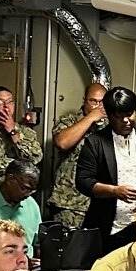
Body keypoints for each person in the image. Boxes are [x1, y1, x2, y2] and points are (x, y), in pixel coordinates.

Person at [73, 85, 136, 259]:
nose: (126, 121)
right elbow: (83, 181)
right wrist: (114, 191)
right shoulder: (96, 142)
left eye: (130, 114)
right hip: (107, 227)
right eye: (119, 117)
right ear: (109, 115)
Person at [48, 80, 106, 236]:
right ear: (84, 100)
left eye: (102, 102)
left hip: (102, 201)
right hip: (71, 202)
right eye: (93, 101)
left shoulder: (111, 126)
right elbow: (62, 142)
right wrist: (91, 118)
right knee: (68, 246)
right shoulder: (69, 121)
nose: (98, 106)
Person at [0, 159, 43, 248]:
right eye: (24, 188)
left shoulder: (31, 204)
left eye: (32, 191)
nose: (28, 195)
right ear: (10, 179)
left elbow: (38, 243)